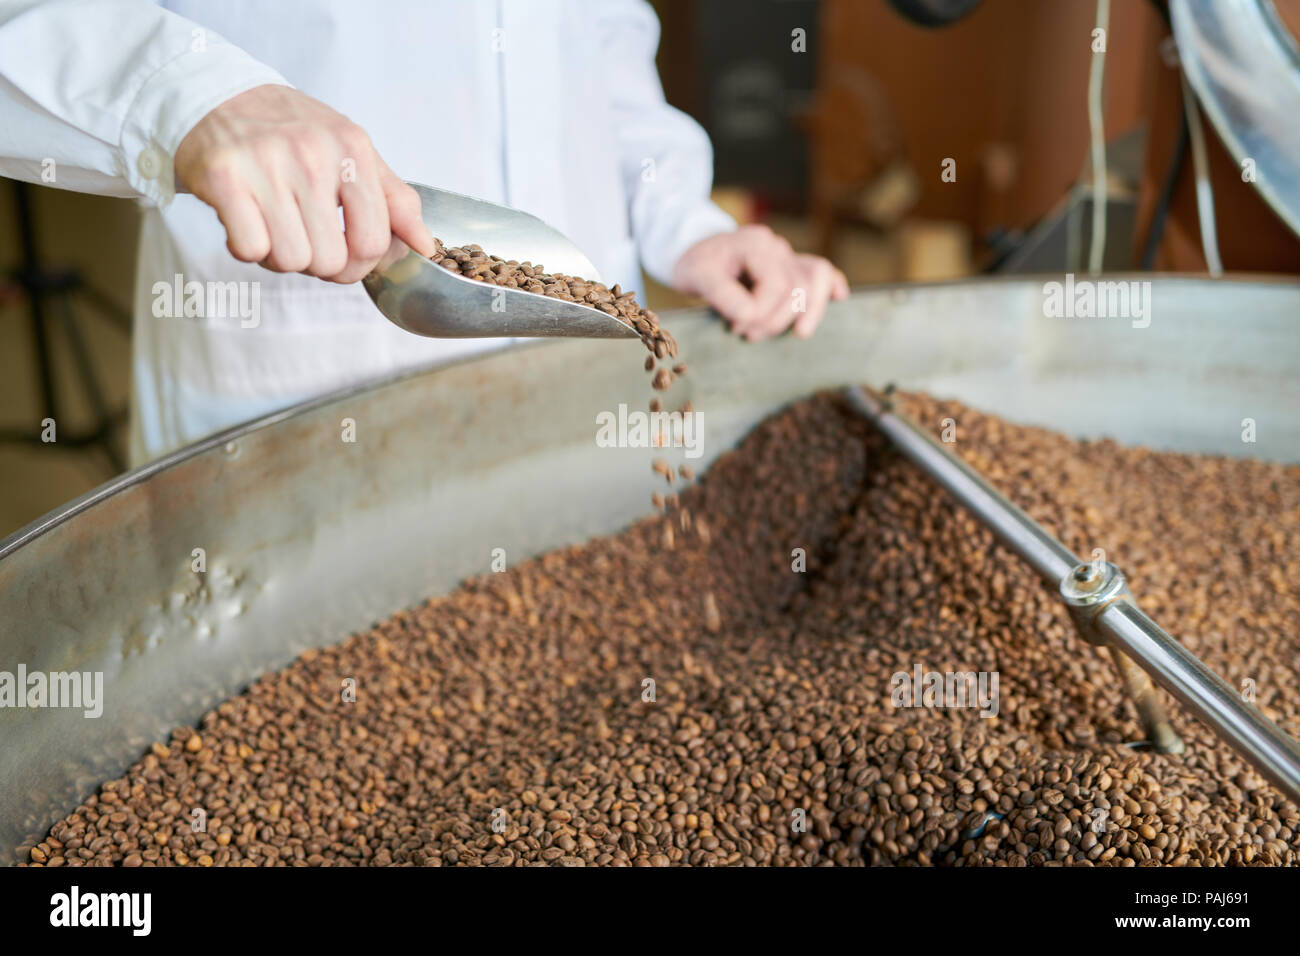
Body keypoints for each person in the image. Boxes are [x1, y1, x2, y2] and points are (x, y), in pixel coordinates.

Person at [0, 0, 848, 465]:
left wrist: (680, 217)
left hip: (582, 383)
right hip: (298, 387)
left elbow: (602, 32)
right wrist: (183, 95)